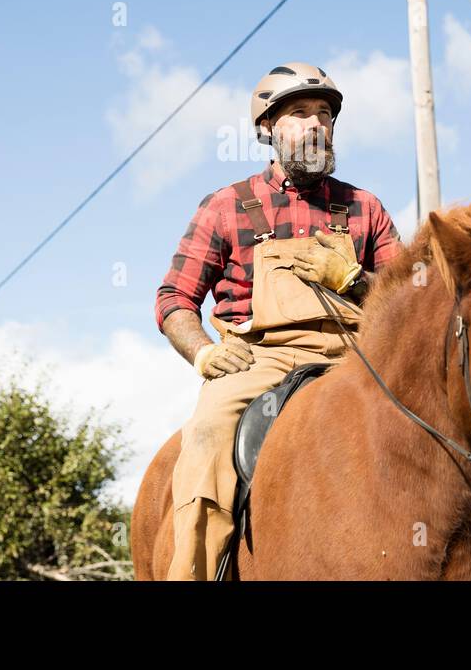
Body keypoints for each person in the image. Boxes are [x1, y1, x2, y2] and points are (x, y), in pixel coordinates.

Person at [155, 61, 404, 580]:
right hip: (259, 362)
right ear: (267, 129)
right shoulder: (225, 206)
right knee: (206, 434)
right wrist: (204, 352)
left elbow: (406, 304)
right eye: (298, 114)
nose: (315, 124)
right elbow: (174, 297)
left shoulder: (365, 208)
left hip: (355, 359)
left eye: (323, 115)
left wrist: (355, 279)